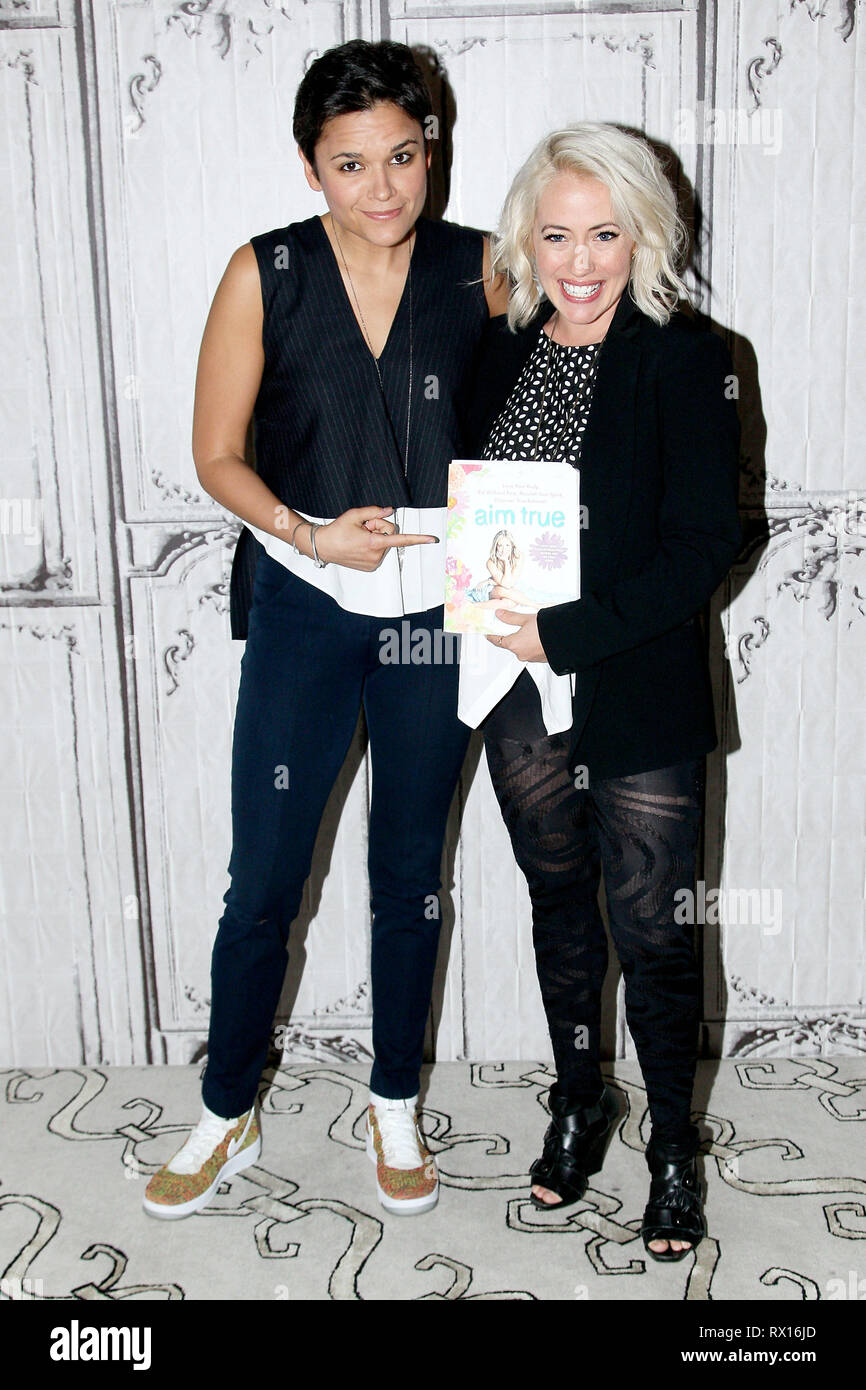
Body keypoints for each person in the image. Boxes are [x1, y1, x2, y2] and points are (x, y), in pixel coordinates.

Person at [142, 39, 507, 1221]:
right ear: (312, 168)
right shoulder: (265, 271)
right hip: (306, 602)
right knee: (265, 879)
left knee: (409, 873)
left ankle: (391, 1099)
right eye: (352, 163)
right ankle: (224, 1106)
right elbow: (213, 456)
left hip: (431, 618)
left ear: (429, 148)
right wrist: (307, 534)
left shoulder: (485, 272)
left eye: (402, 155)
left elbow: (534, 437)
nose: (384, 186)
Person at [461, 122, 741, 1260]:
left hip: (630, 677)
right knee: (559, 905)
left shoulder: (690, 354)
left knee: (655, 925)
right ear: (528, 235)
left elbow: (700, 545)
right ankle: (582, 1097)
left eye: (605, 234)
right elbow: (473, 500)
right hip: (514, 682)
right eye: (557, 232)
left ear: (644, 235)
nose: (579, 261)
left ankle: (672, 1141)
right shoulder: (496, 348)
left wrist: (565, 628)